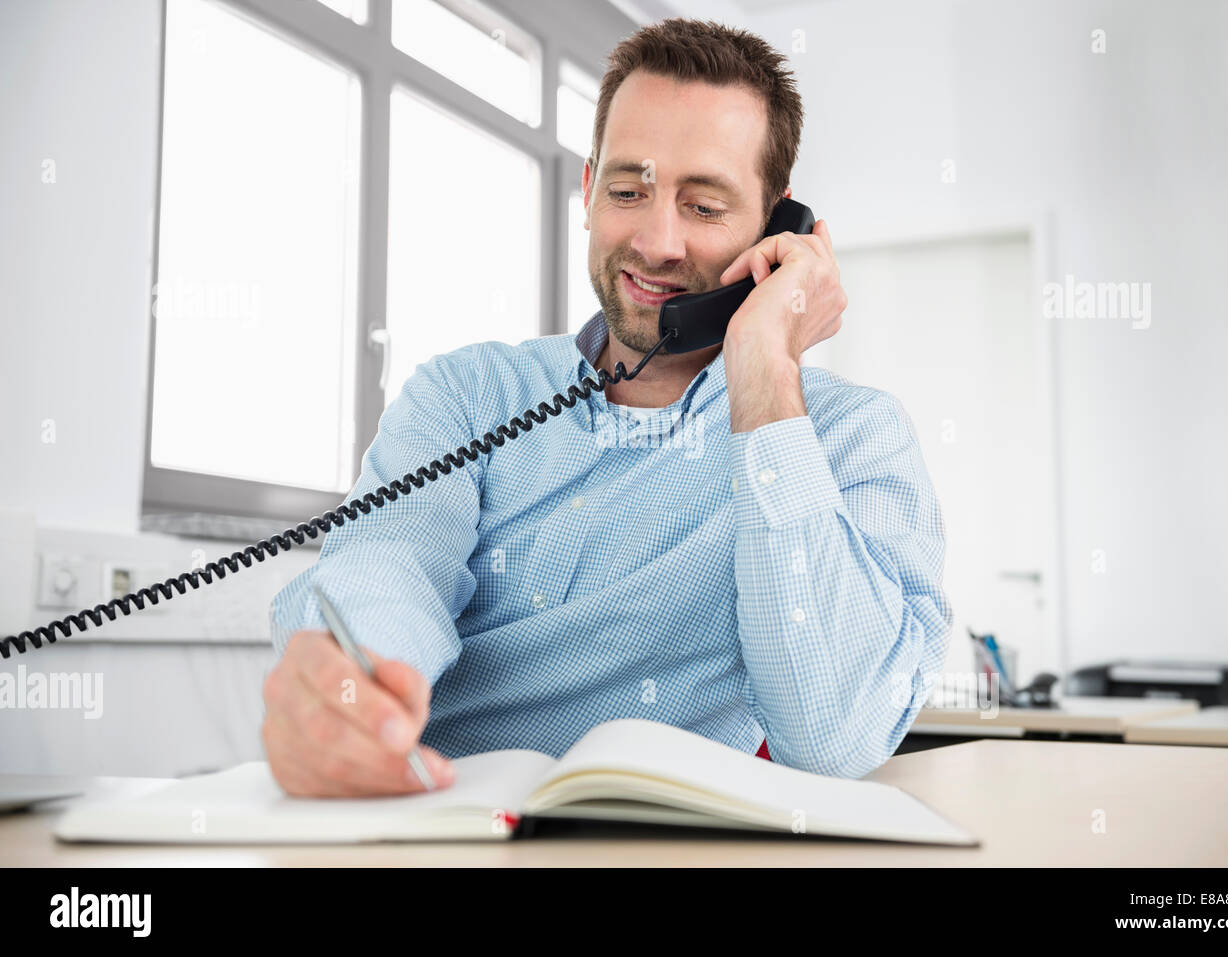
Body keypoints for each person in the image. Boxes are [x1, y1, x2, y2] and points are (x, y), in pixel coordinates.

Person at [262, 18, 952, 797]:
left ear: (777, 226)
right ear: (588, 192)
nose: (657, 241)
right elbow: (390, 564)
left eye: (704, 206)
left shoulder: (849, 437)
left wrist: (764, 370)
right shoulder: (467, 396)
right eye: (630, 191)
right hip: (441, 827)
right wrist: (354, 681)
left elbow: (836, 732)